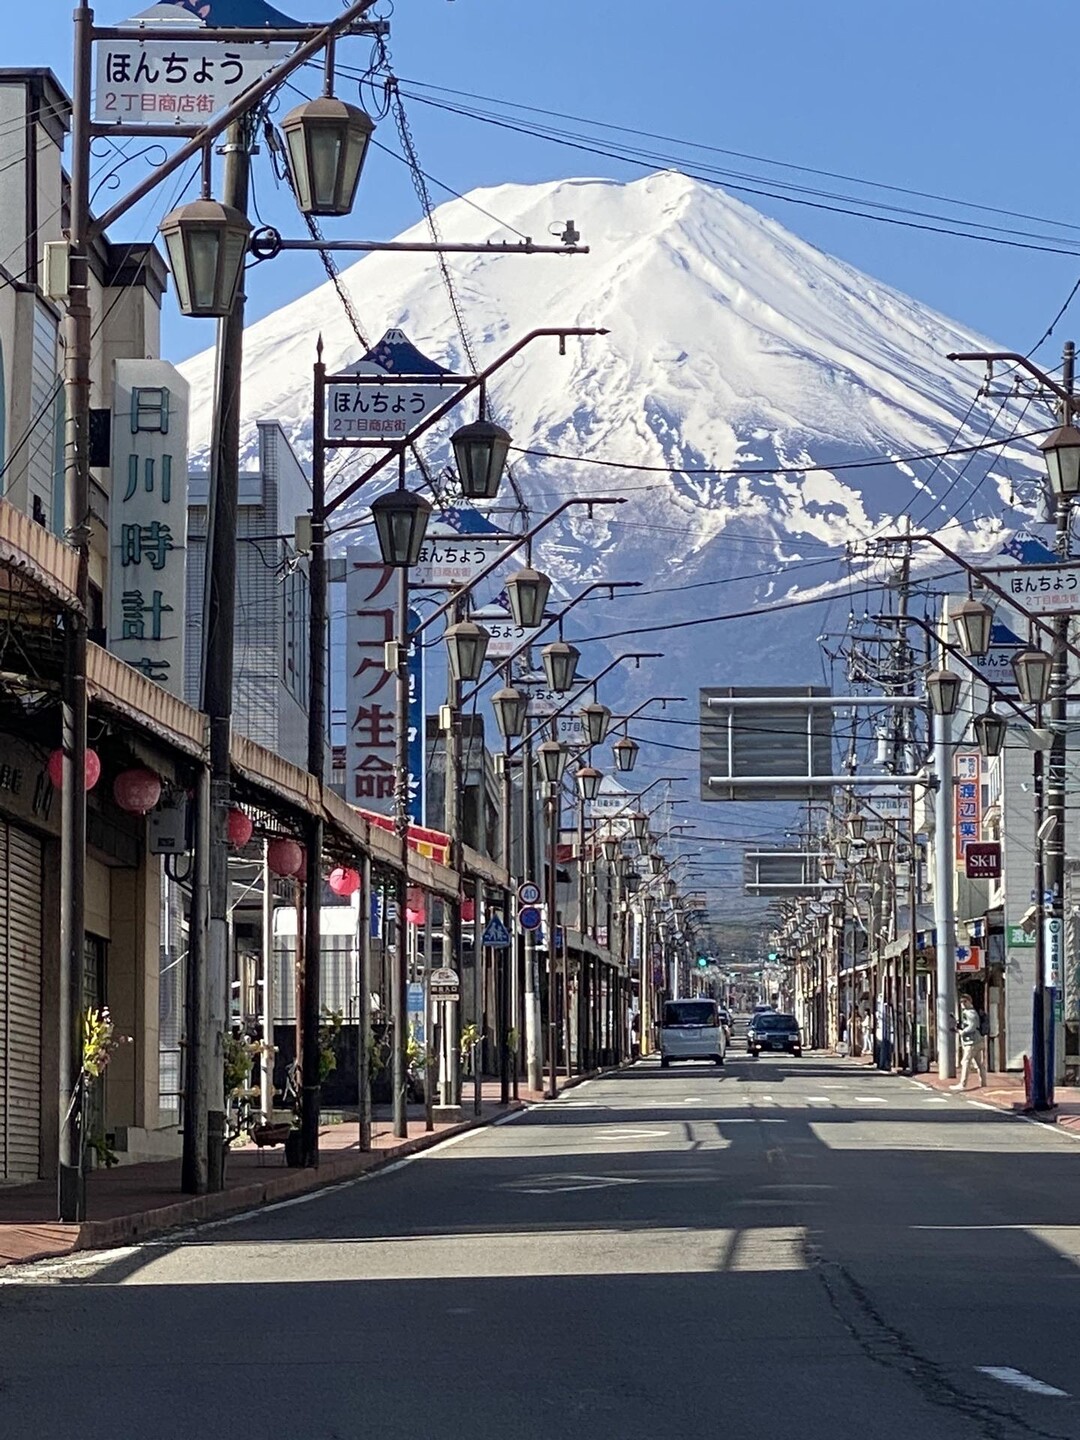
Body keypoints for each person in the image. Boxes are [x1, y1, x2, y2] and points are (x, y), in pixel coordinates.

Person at [950, 997, 988, 1090]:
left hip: (972, 1042)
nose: (963, 1003)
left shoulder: (970, 1013)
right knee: (979, 1063)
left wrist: (962, 1032)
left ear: (970, 1002)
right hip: (978, 1041)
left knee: (965, 1062)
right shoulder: (971, 1012)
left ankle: (962, 1084)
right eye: (961, 1001)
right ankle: (983, 1083)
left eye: (965, 1001)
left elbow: (972, 1026)